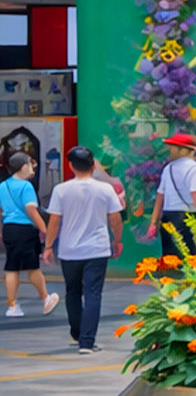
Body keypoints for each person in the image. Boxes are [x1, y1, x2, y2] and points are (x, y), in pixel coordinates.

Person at [43, 147, 120, 352]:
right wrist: (117, 240)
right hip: (97, 250)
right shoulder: (105, 189)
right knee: (93, 294)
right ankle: (87, 342)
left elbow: (54, 221)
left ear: (70, 166)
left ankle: (77, 333)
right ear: (93, 165)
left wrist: (48, 246)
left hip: (69, 251)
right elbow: (115, 218)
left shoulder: (61, 190)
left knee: (72, 292)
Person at [2, 153, 56, 318]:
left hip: (9, 228)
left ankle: (12, 306)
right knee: (32, 267)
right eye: (30, 164)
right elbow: (31, 210)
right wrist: (44, 228)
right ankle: (46, 298)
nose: (33, 167)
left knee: (11, 266)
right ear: (23, 166)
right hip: (25, 230)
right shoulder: (26, 187)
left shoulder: (3, 185)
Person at [149, 133, 196, 259]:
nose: (169, 150)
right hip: (189, 218)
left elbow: (160, 196)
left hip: (168, 218)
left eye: (172, 147)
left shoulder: (168, 168)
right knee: (192, 261)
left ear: (183, 150)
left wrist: (153, 222)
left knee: (170, 260)